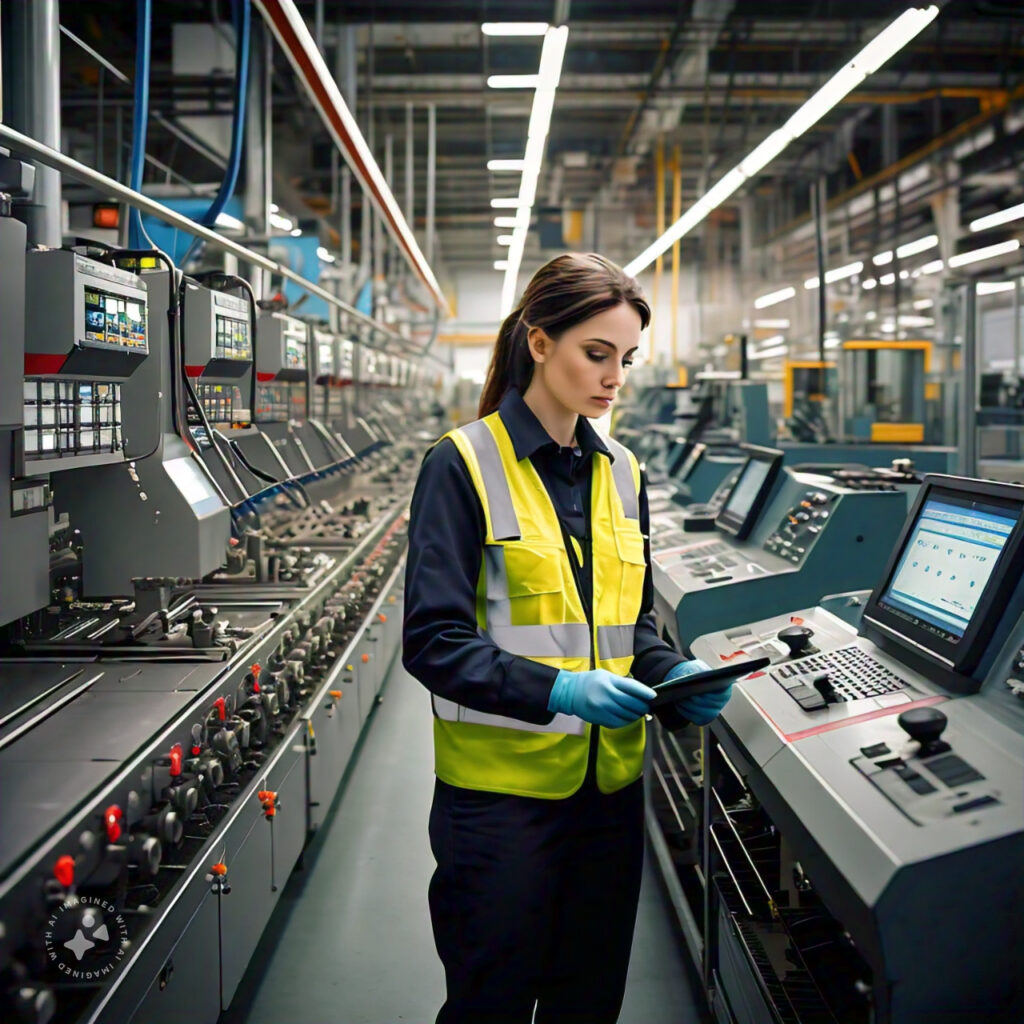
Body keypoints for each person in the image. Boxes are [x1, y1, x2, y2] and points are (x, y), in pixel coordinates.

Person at [403, 253, 732, 1024]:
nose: (614, 376)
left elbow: (630, 630)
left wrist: (679, 677)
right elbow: (433, 640)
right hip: (500, 805)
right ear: (539, 342)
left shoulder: (623, 472)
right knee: (492, 1002)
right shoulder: (462, 465)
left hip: (610, 798)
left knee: (588, 1003)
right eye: (596, 353)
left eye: (626, 359)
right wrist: (556, 690)